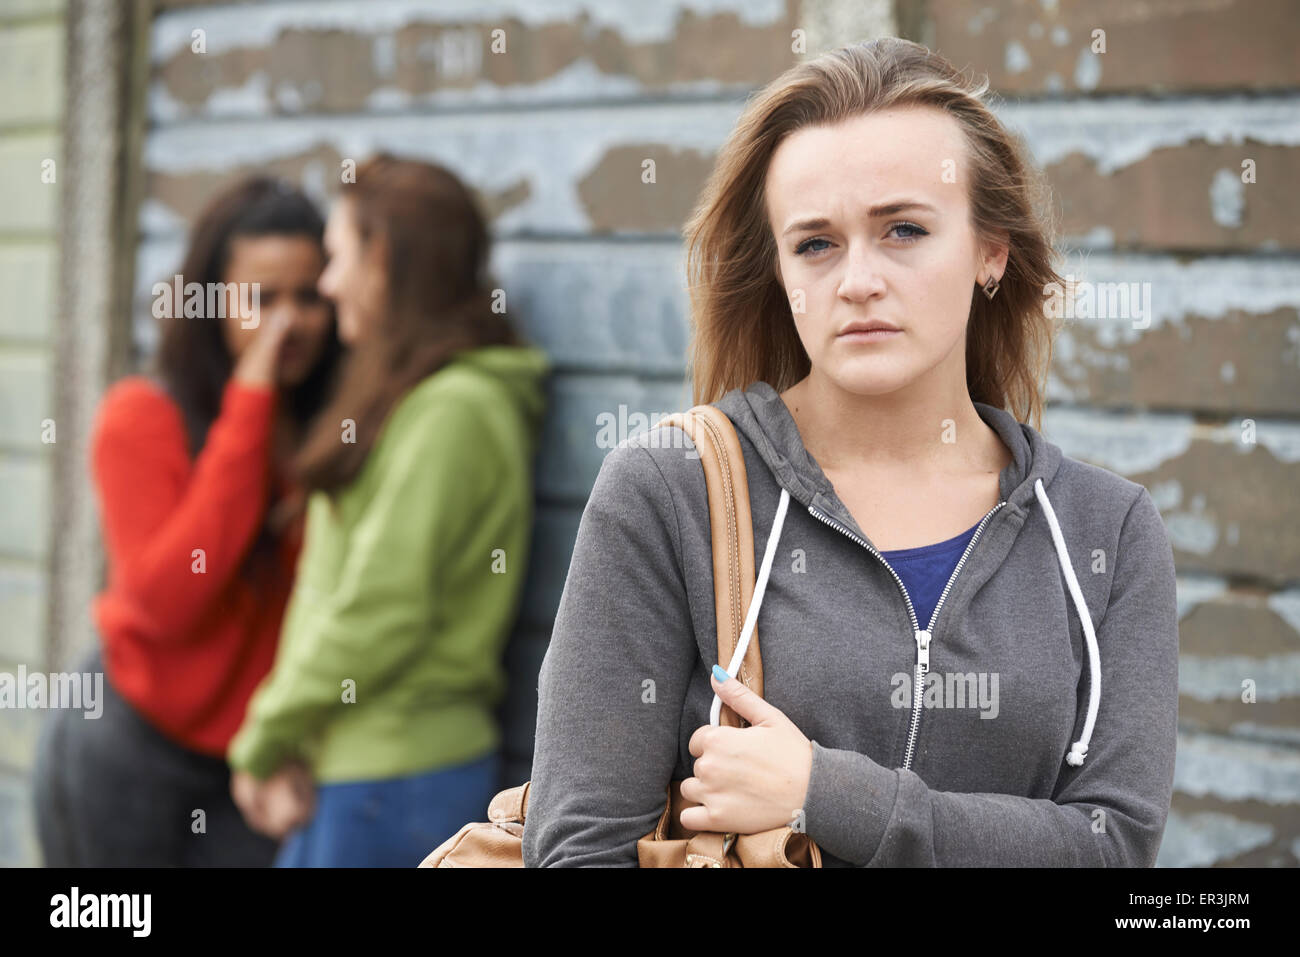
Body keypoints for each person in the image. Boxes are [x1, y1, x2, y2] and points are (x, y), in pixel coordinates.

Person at [522, 37, 1179, 867]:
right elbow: (577, 848)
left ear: (991, 251)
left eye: (903, 230)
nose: (857, 279)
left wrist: (825, 791)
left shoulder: (1107, 528)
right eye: (816, 244)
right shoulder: (668, 492)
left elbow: (1114, 848)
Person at [228, 154, 551, 867]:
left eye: (341, 256)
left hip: (394, 778)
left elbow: (383, 607)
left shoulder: (456, 410)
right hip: (356, 773)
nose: (327, 281)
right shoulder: (413, 396)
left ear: (388, 263)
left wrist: (264, 736)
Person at [32, 177, 344, 866]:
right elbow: (168, 602)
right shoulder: (141, 416)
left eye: (309, 296)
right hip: (129, 753)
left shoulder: (332, 432)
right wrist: (252, 399)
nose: (288, 322)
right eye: (261, 299)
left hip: (249, 769)